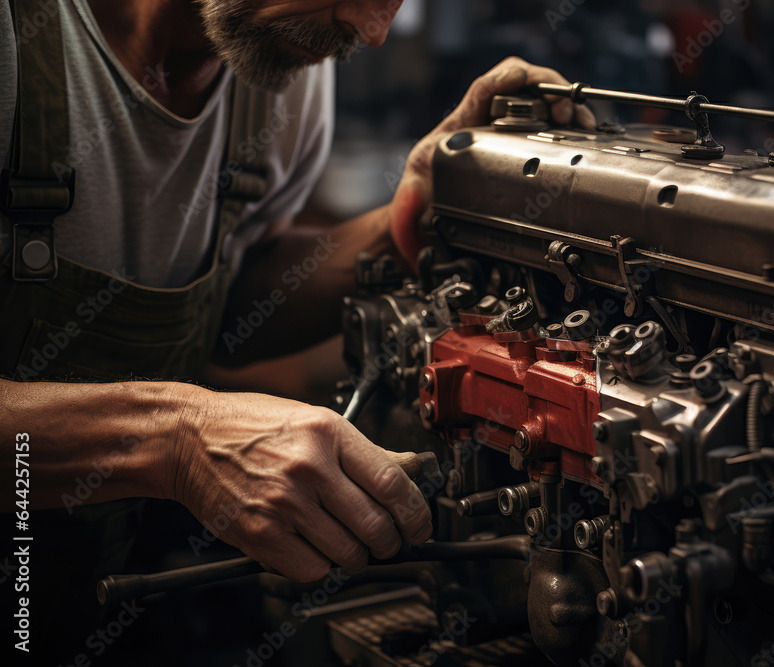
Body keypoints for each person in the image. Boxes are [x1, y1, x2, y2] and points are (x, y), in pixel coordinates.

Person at [0, 0, 595, 661]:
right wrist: (175, 438)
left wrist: (415, 217)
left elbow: (226, 310)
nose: (373, 33)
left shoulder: (277, 58)